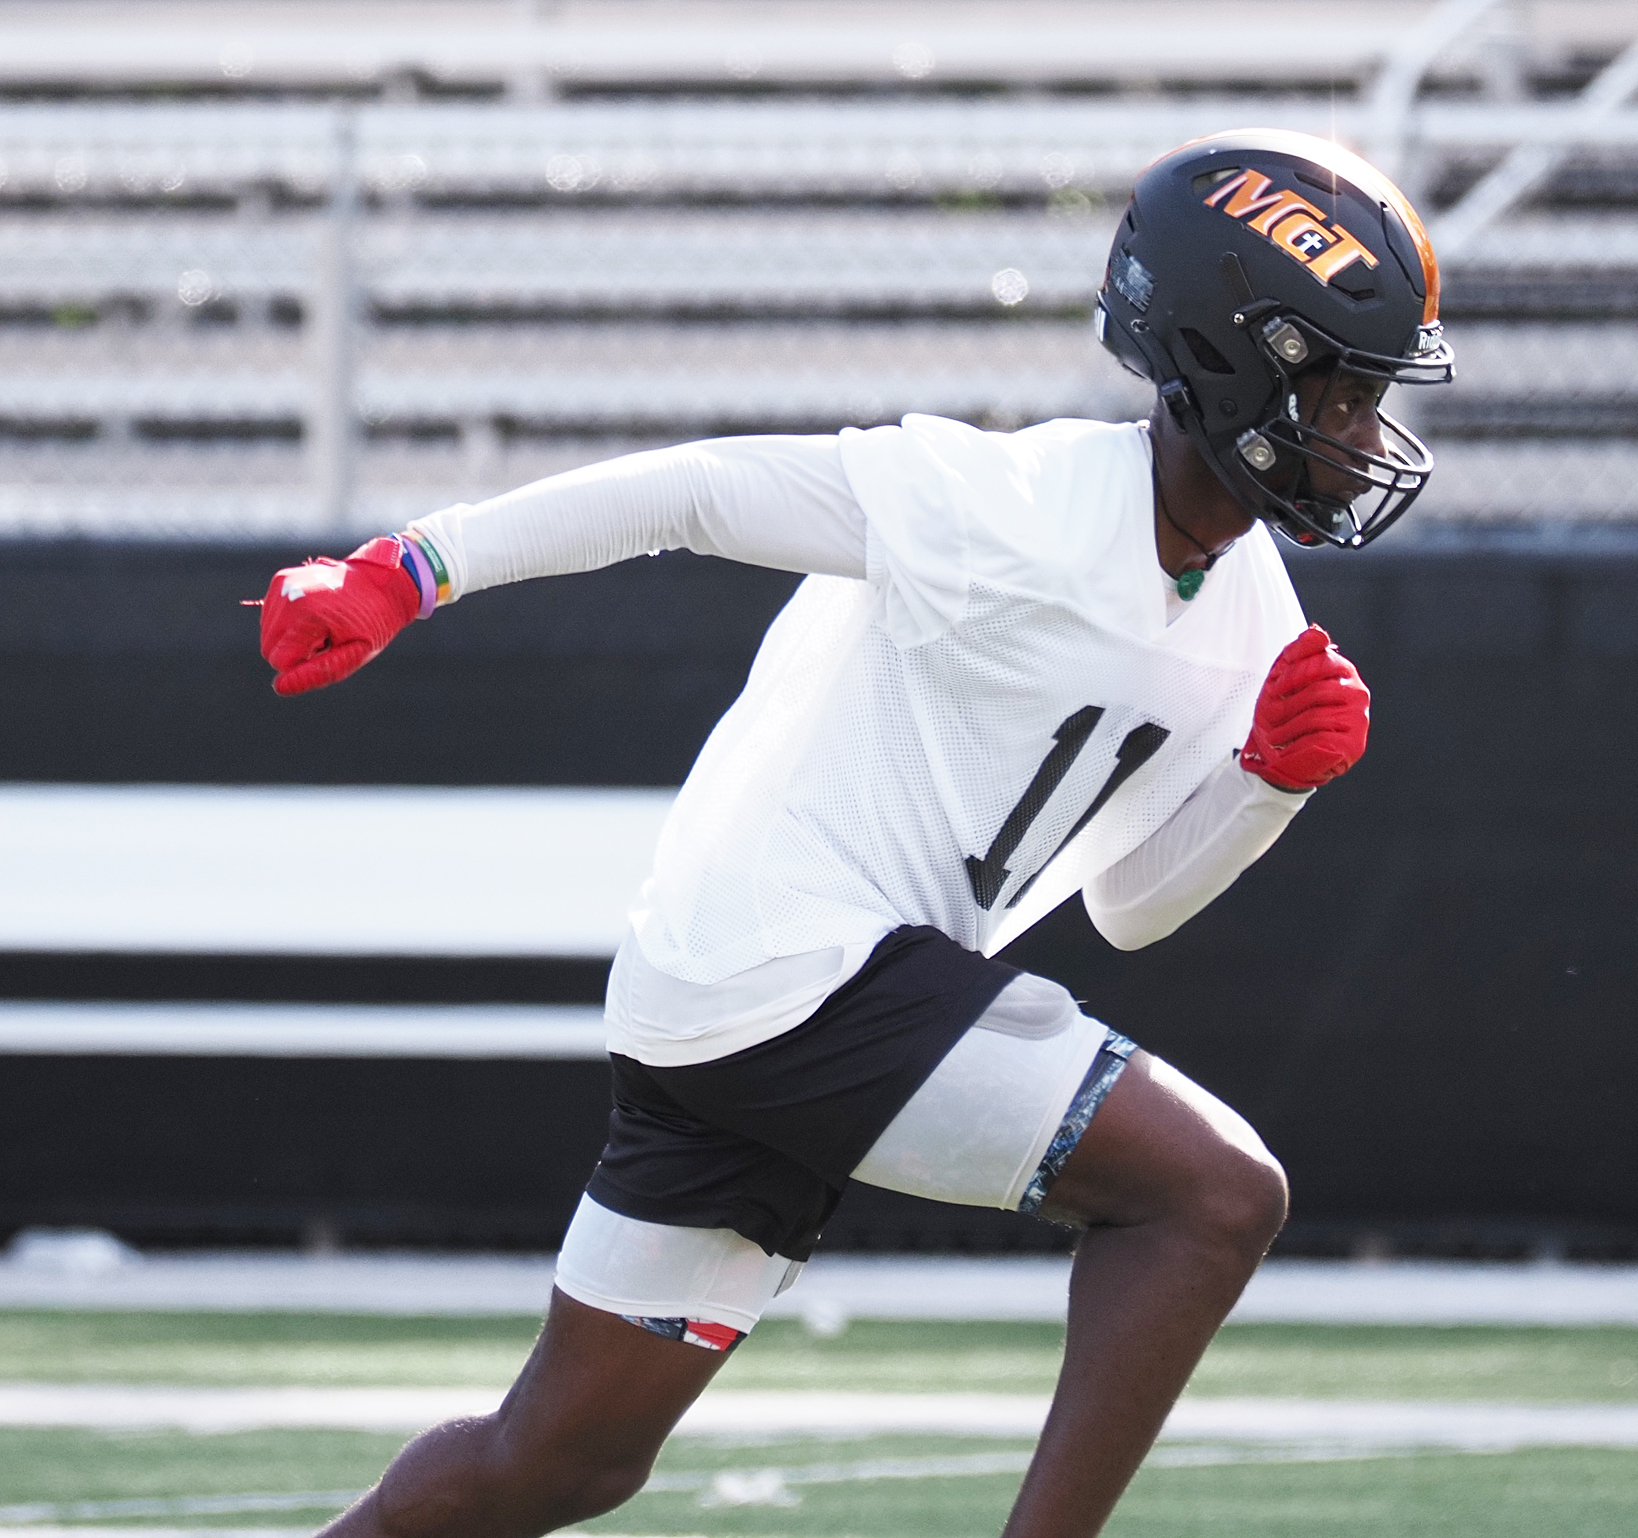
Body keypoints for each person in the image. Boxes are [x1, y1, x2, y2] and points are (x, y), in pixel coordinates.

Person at [258, 128, 1454, 1538]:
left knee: (555, 1464)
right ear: (1230, 357)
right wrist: (419, 563)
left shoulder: (1254, 615)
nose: (1366, 437)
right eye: (1342, 387)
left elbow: (1129, 903)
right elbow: (698, 492)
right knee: (1214, 1195)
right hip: (791, 968)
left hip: (756, 1002)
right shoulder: (1006, 503)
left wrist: (1262, 786)